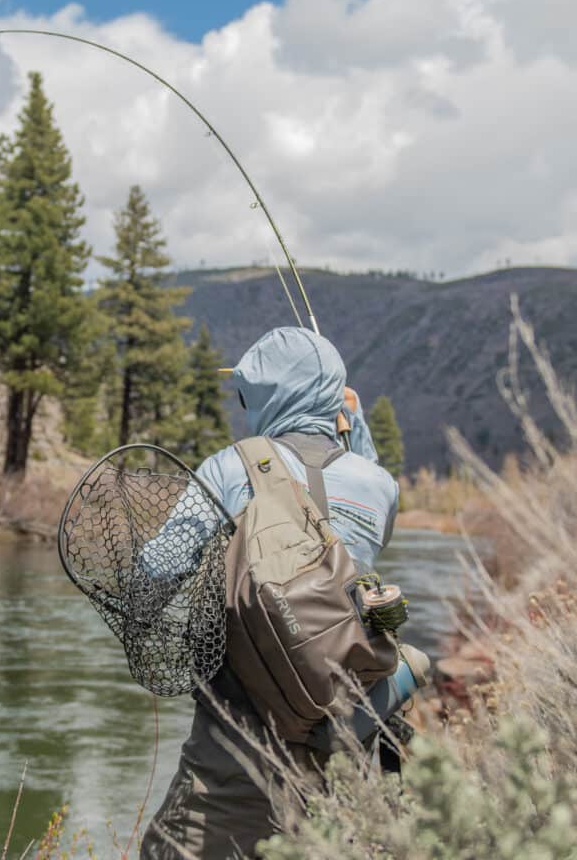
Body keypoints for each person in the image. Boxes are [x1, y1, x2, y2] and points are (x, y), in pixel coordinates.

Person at [141, 326, 417, 860]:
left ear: (268, 397)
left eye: (248, 395)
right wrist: (352, 424)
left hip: (239, 737)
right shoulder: (379, 485)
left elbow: (158, 570)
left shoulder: (231, 466)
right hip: (350, 727)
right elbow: (364, 528)